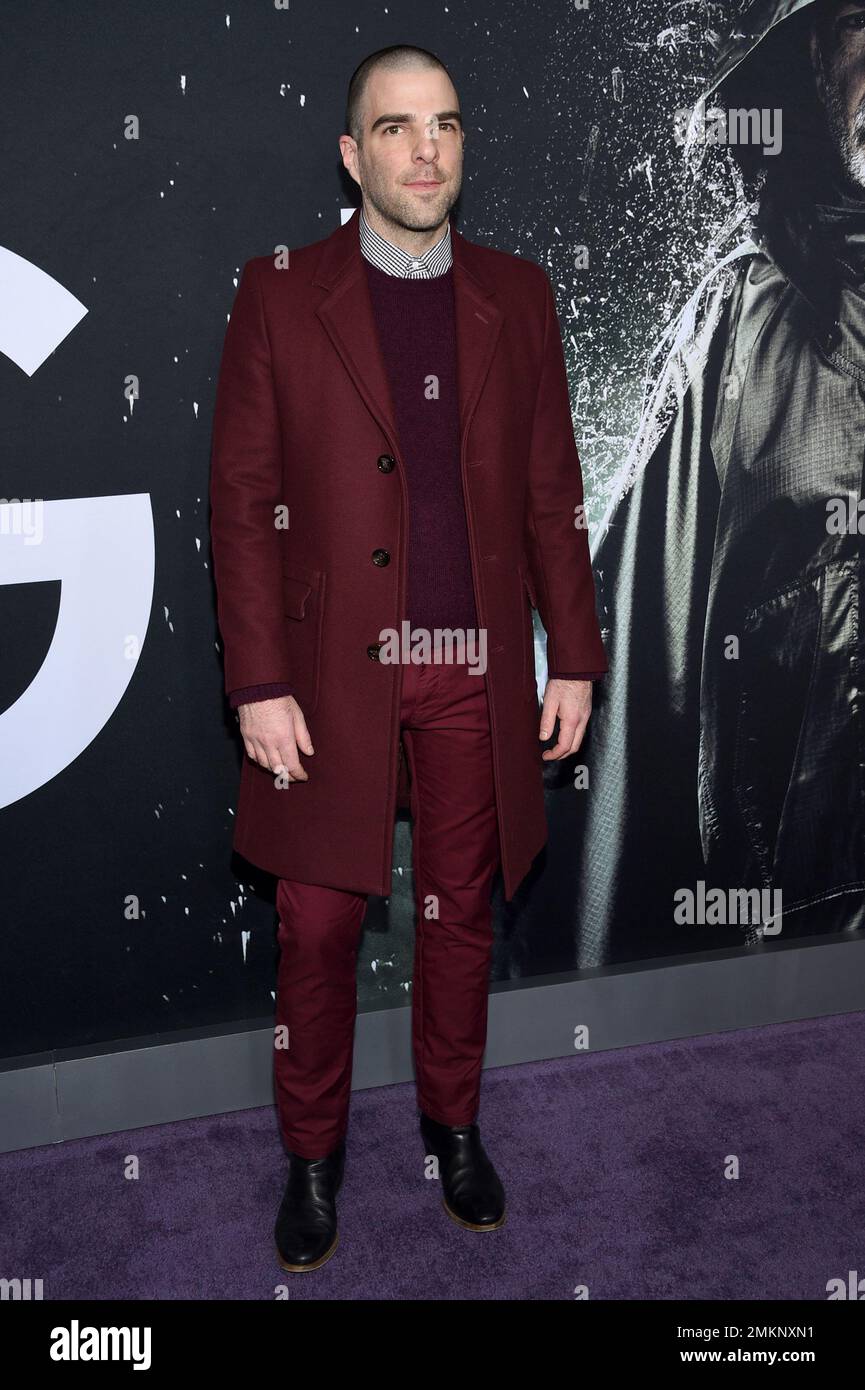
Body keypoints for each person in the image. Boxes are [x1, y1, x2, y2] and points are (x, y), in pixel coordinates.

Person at [209, 43, 607, 1272]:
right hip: (327, 678)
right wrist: (259, 681)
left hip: (473, 671)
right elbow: (241, 500)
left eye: (442, 125)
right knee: (318, 931)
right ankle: (313, 1156)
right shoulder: (279, 292)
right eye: (395, 127)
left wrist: (574, 655)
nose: (424, 148)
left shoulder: (519, 293)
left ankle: (453, 1129)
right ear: (352, 154)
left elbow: (551, 496)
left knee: (457, 922)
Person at [572, 0, 865, 967]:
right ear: (812, 64)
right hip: (794, 950)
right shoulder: (740, 319)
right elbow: (638, 670)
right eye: (860, 20)